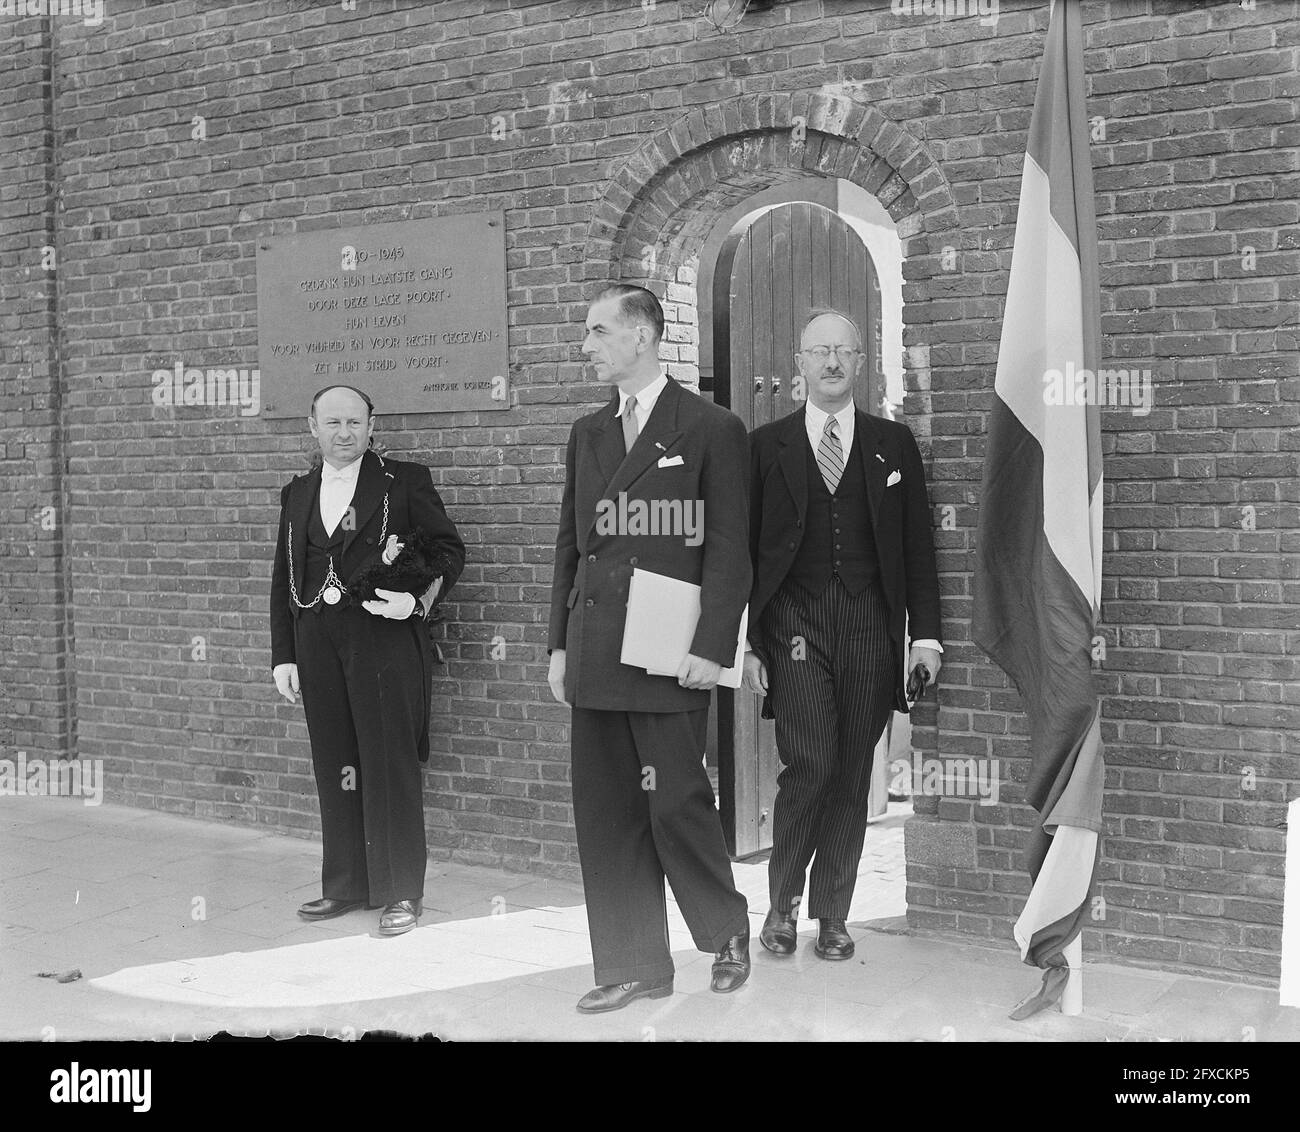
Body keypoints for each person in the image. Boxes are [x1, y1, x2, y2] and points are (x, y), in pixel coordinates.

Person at [547, 284, 752, 1013]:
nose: (587, 345)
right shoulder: (588, 431)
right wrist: (557, 647)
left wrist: (712, 643)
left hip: (668, 647)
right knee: (606, 813)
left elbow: (729, 549)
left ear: (642, 336)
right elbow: (571, 544)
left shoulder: (709, 426)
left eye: (600, 331)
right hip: (596, 644)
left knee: (676, 803)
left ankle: (726, 932)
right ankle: (635, 965)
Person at [744, 310, 942, 961]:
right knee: (813, 762)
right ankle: (782, 907)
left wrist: (926, 638)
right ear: (799, 362)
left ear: (860, 362)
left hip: (869, 628)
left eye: (843, 352)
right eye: (818, 351)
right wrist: (743, 643)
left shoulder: (893, 444)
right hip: (793, 626)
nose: (831, 363)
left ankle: (834, 915)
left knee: (854, 772)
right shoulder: (764, 445)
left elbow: (918, 549)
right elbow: (740, 551)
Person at [270, 385, 464, 936]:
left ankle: (402, 892)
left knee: (388, 765)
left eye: (355, 422)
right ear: (312, 426)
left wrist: (416, 598)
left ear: (371, 424)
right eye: (332, 422)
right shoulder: (297, 492)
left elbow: (450, 550)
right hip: (317, 645)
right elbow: (280, 577)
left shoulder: (404, 481)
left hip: (384, 642)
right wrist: (284, 654)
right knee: (337, 764)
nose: (344, 432)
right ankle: (346, 886)